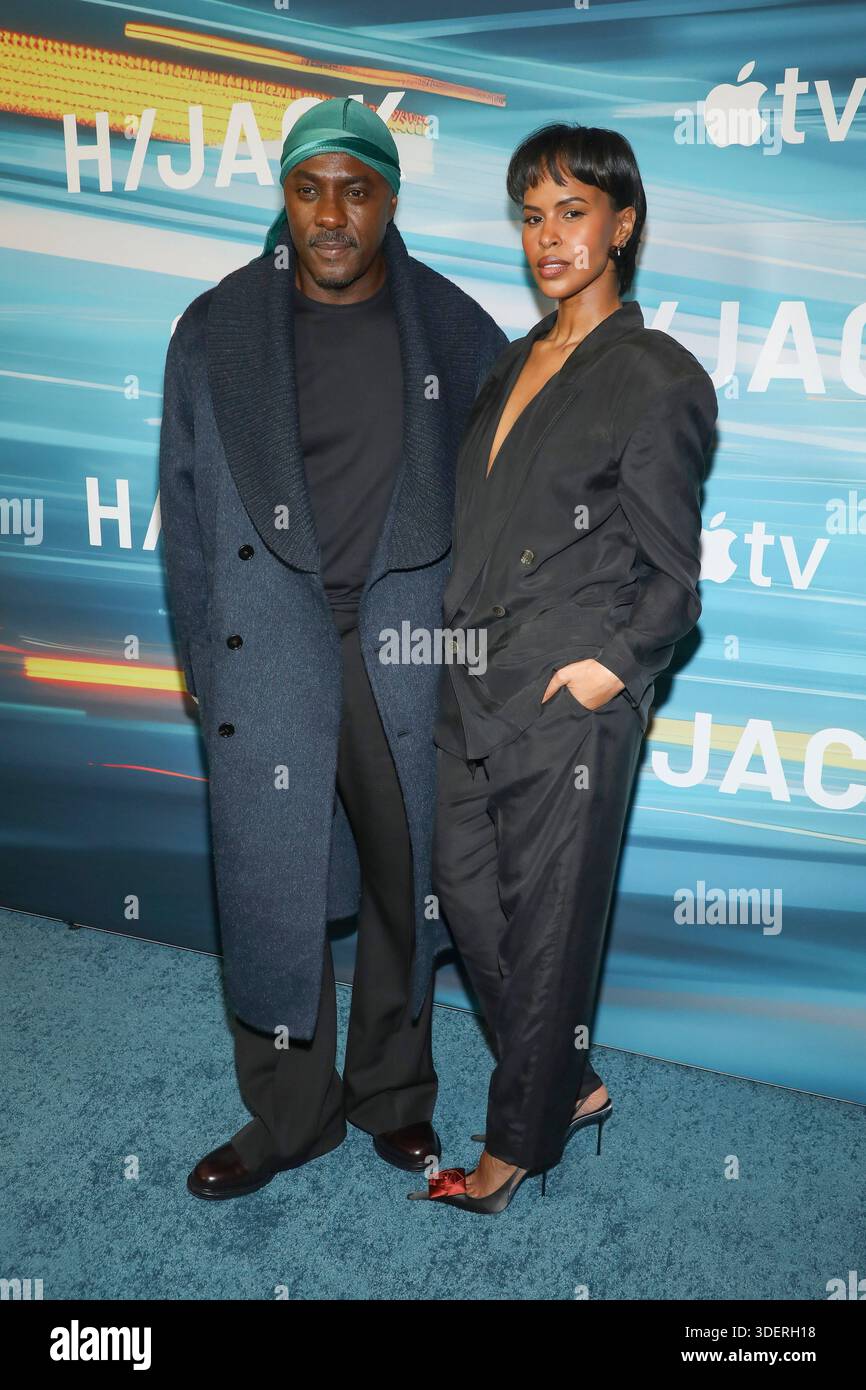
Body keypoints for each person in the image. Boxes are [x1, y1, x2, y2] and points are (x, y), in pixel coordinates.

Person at [158, 97, 507, 1199]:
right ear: (286, 195)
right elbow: (182, 516)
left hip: (408, 651)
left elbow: (501, 523)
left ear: (389, 199)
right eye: (310, 188)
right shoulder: (214, 330)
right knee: (272, 883)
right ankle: (288, 1111)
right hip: (273, 644)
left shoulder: (458, 333)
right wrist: (208, 671)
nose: (331, 213)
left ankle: (392, 1097)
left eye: (356, 189)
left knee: (413, 881)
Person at [412, 122, 718, 1215]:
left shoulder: (656, 376)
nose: (548, 236)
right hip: (466, 681)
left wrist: (602, 674)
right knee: (467, 903)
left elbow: (673, 582)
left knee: (543, 937)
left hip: (563, 701)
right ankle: (566, 1085)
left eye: (571, 211)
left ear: (621, 224)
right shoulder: (511, 359)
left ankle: (510, 1153)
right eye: (531, 215)